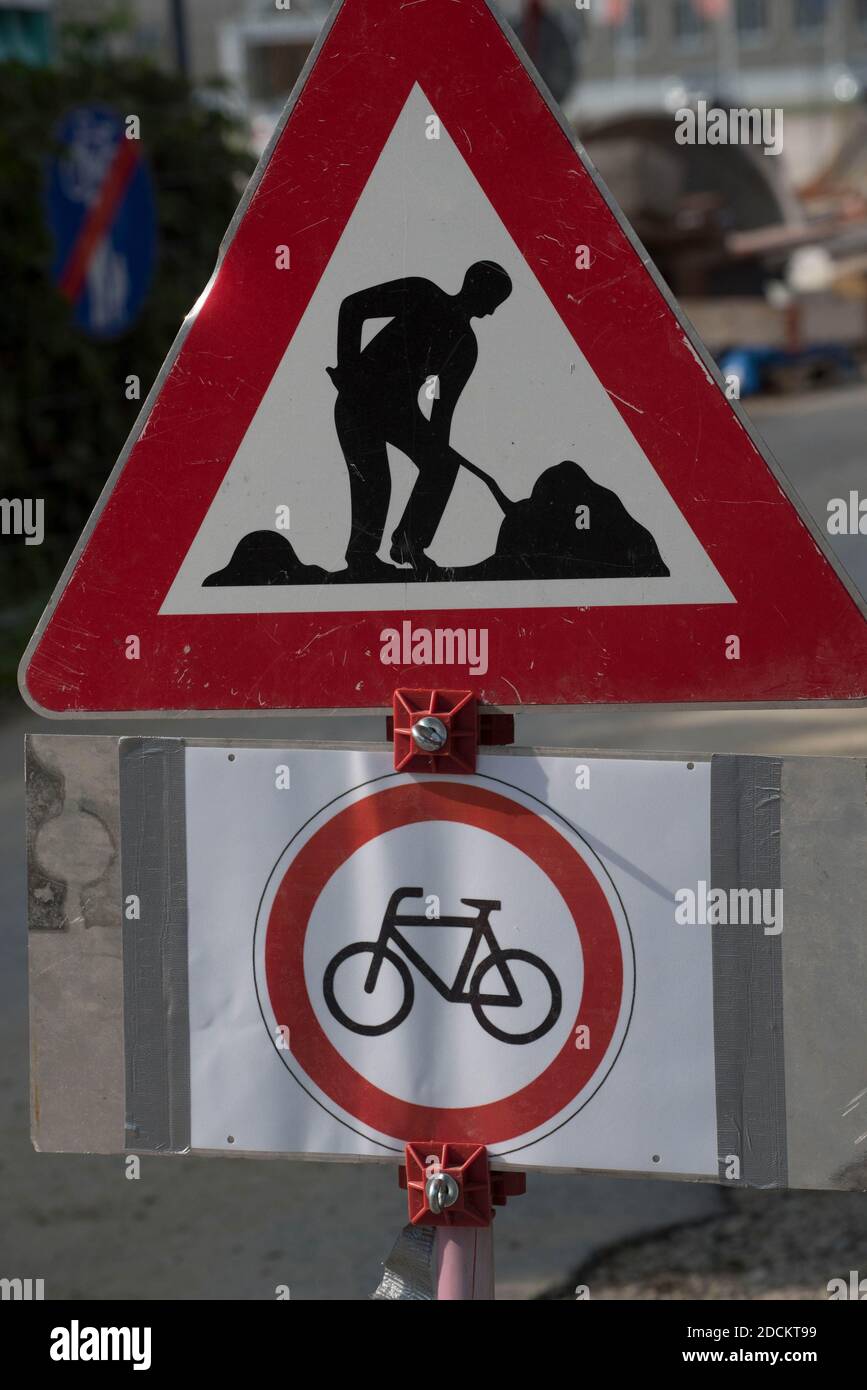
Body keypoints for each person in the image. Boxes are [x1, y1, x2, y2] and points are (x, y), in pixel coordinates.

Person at [326, 261, 512, 577]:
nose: (492, 311)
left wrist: (439, 451)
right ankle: (361, 558)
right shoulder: (421, 293)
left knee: (443, 464)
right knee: (375, 480)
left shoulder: (465, 347)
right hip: (360, 398)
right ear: (474, 285)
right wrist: (349, 370)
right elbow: (353, 307)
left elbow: (443, 409)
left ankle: (409, 542)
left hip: (399, 411)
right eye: (493, 300)